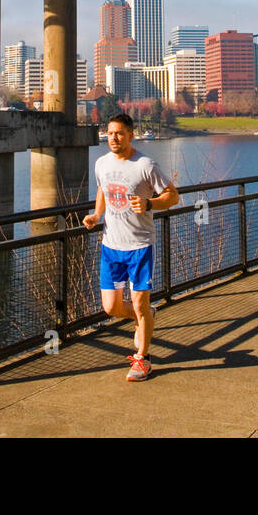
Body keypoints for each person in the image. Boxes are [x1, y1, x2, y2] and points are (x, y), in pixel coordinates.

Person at [83, 112, 179, 381]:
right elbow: (102, 189)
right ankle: (146, 316)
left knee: (138, 301)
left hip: (139, 246)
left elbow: (172, 196)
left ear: (130, 135)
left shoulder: (145, 165)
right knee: (111, 308)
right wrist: (96, 215)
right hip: (111, 246)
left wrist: (150, 204)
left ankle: (143, 358)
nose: (113, 138)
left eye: (119, 133)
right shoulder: (101, 163)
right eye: (110, 133)